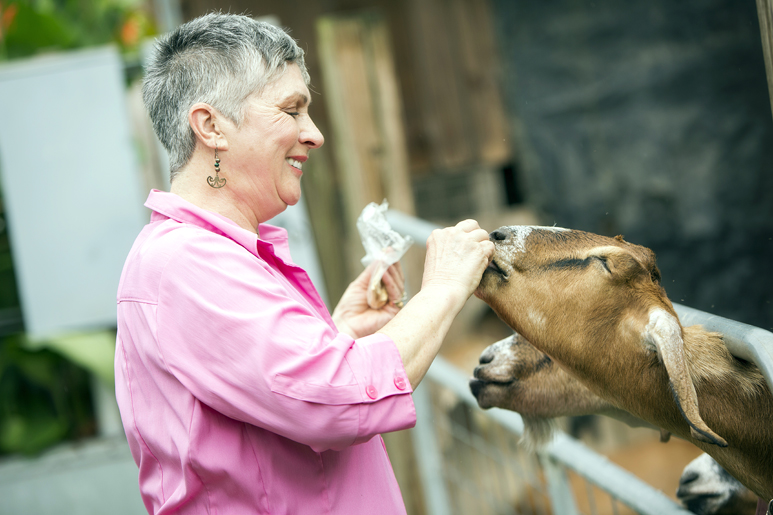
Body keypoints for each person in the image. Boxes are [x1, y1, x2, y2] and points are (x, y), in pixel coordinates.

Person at [115, 12, 494, 515]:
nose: (313, 134)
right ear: (210, 127)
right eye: (291, 110)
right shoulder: (187, 262)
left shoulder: (205, 254)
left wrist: (342, 336)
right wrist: (444, 287)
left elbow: (274, 404)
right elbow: (338, 402)